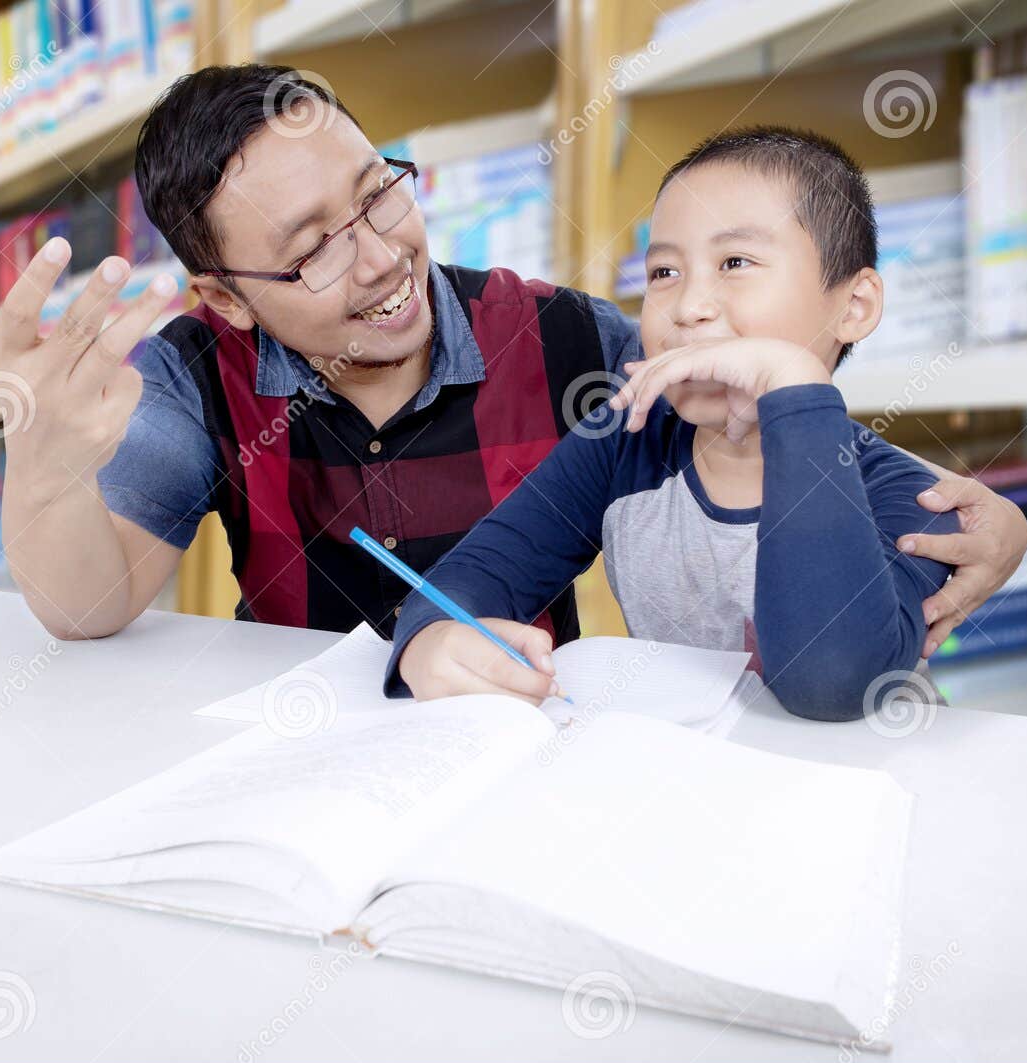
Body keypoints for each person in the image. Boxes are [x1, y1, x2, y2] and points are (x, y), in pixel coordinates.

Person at [0, 66, 1026, 672]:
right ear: (225, 297)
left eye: (378, 192)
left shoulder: (571, 341)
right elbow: (87, 609)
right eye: (312, 249)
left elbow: (762, 426)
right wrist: (46, 465)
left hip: (525, 740)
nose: (379, 258)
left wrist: (997, 520)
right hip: (306, 750)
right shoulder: (190, 373)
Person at [390, 126, 961, 720]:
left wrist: (793, 385)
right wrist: (433, 636)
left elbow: (830, 685)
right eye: (664, 272)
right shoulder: (622, 445)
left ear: (855, 306)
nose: (688, 307)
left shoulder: (910, 495)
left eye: (735, 262)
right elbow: (478, 572)